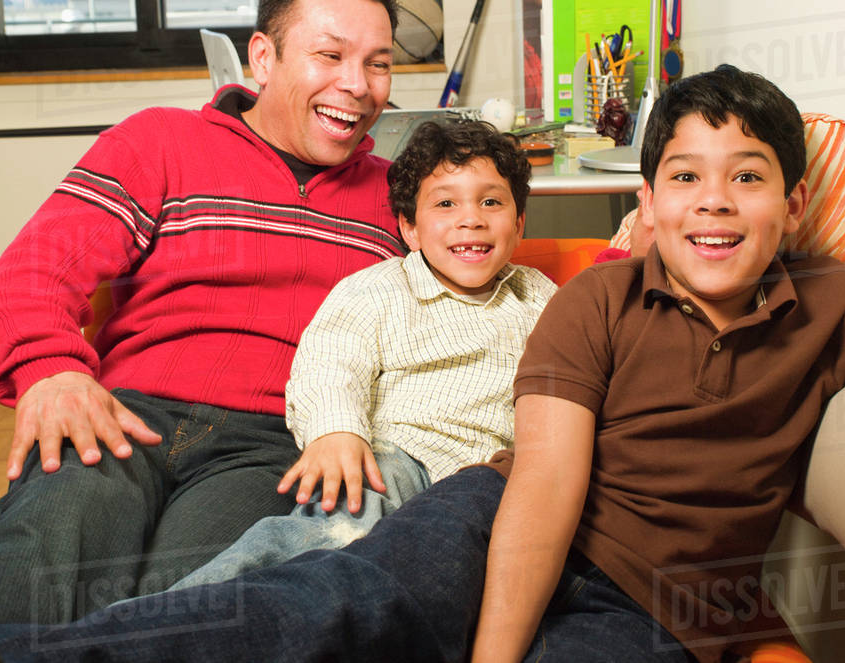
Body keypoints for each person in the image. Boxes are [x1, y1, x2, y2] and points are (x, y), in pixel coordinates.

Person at [0, 65, 845, 663]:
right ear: (650, 201)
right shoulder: (596, 300)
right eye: (687, 177)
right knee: (330, 598)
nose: (716, 203)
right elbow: (542, 482)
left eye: (749, 178)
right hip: (493, 514)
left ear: (793, 205)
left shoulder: (834, 306)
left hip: (661, 607)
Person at [0, 0, 408, 624]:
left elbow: (484, 273)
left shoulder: (399, 196)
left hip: (274, 442)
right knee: (44, 541)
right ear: (263, 58)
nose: (356, 85)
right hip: (124, 413)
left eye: (379, 63)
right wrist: (50, 367)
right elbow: (36, 266)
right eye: (329, 55)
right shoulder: (160, 141)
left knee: (187, 595)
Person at [162, 119, 555, 592]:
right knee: (327, 534)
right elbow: (331, 363)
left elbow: (587, 363)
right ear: (409, 228)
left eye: (490, 201)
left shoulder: (538, 297)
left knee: (442, 578)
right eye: (446, 203)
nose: (470, 218)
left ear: (519, 224)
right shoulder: (380, 287)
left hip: (494, 480)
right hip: (397, 462)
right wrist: (336, 433)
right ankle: (187, 612)